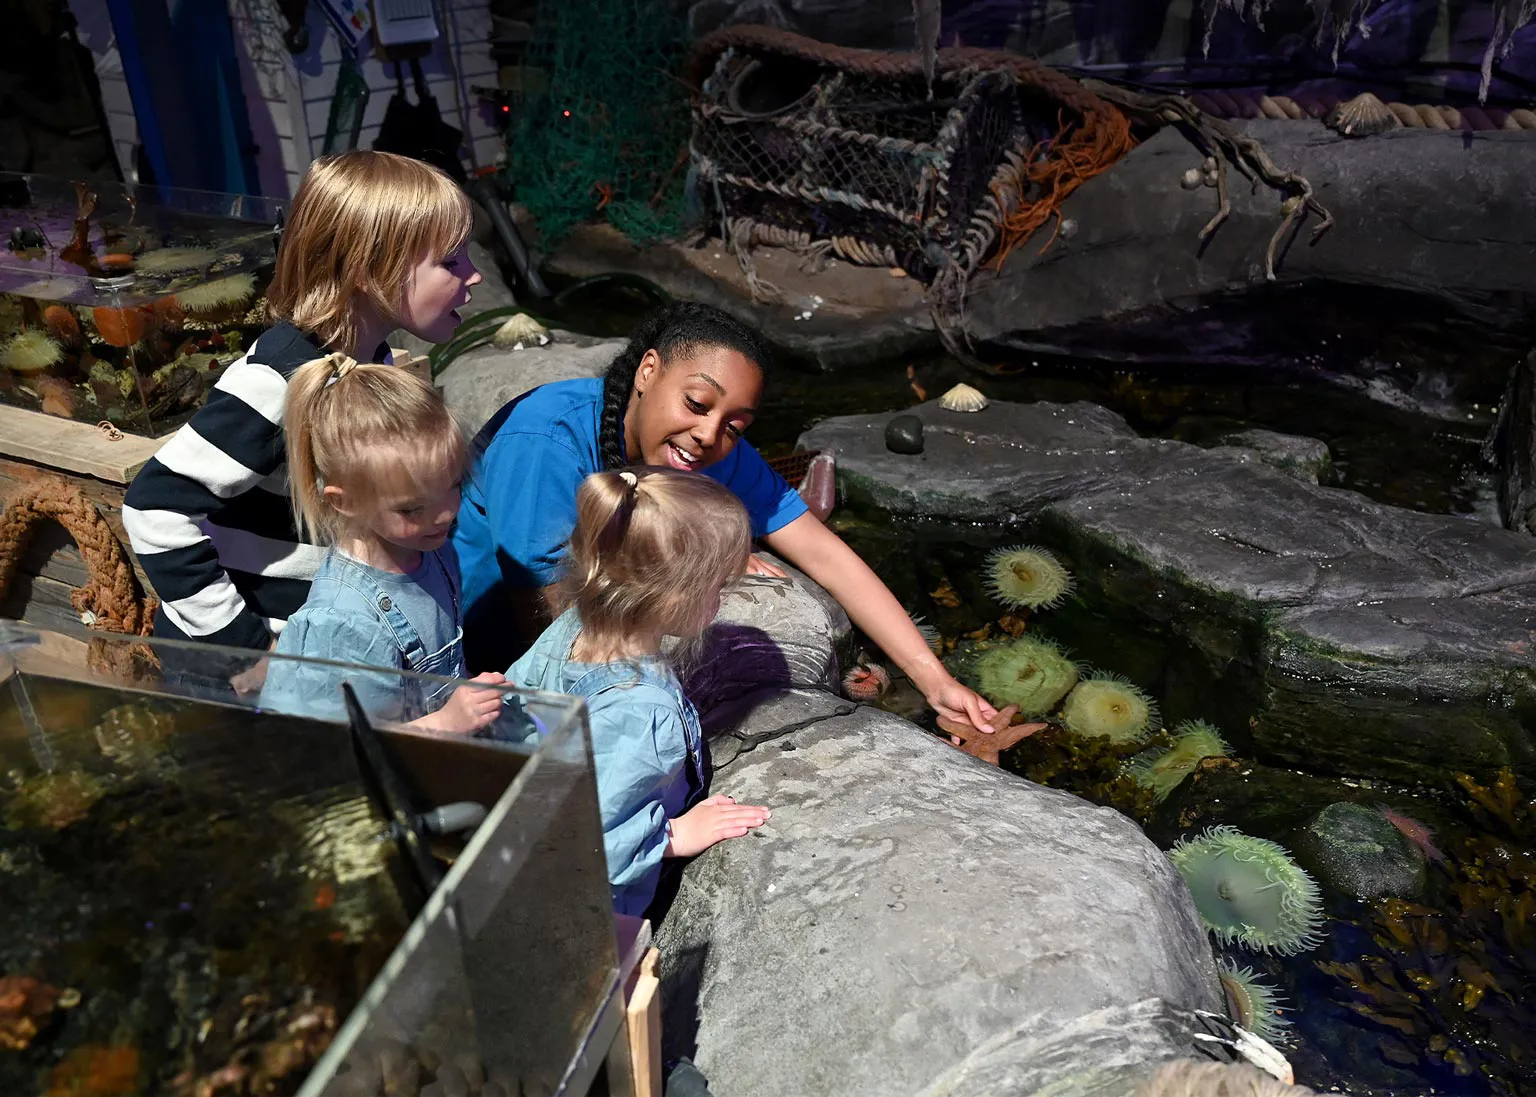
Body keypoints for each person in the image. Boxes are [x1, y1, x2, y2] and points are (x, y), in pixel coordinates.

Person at [454, 301, 999, 733]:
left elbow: (823, 552)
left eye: (736, 424)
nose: (709, 434)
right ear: (648, 370)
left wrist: (933, 679)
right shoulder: (546, 438)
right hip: (475, 659)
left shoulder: (712, 447)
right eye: (696, 403)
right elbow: (544, 605)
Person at [122, 150, 483, 663]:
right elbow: (154, 509)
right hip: (251, 667)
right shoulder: (276, 383)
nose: (474, 275)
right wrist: (245, 650)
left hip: (326, 640)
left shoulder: (369, 360)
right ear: (367, 270)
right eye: (450, 261)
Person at [509, 467, 771, 917]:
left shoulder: (571, 626)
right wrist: (675, 834)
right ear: (673, 595)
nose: (721, 600)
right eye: (718, 586)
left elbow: (516, 711)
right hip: (592, 913)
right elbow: (596, 845)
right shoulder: (644, 710)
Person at [257, 353, 507, 731]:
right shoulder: (343, 624)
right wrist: (447, 722)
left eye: (455, 485)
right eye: (412, 508)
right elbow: (340, 748)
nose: (445, 515)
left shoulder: (429, 548)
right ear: (345, 502)